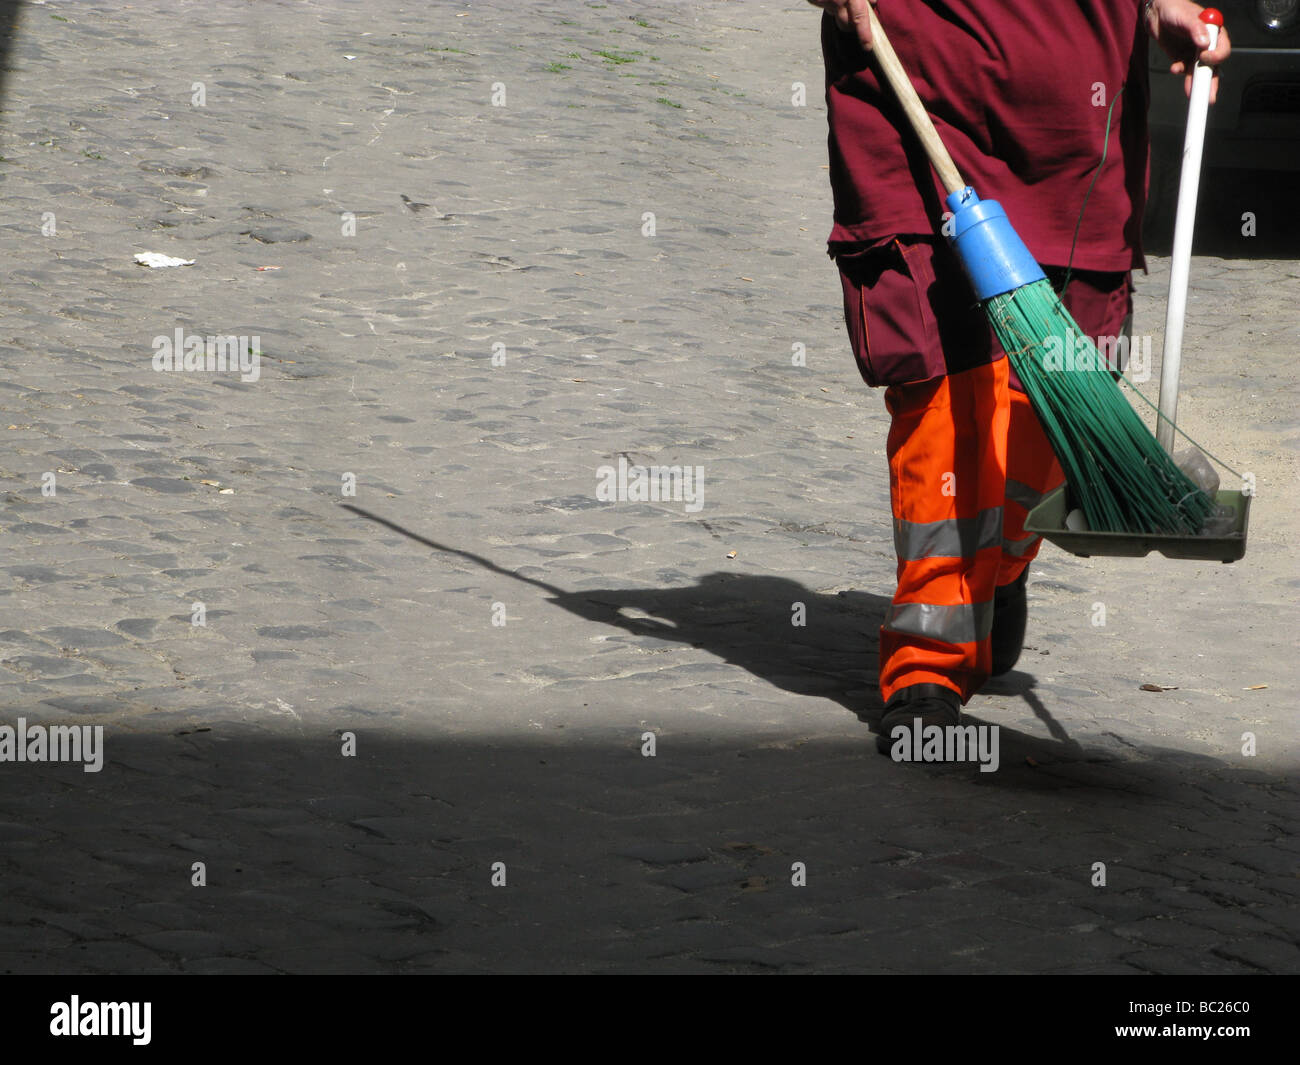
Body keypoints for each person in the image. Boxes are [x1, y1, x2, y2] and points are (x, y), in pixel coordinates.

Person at [806, 0, 1230, 751]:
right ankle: (926, 664)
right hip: (912, 98)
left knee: (1050, 395)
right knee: (945, 397)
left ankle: (999, 567)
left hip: (1074, 135)